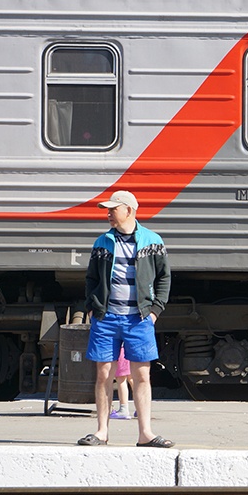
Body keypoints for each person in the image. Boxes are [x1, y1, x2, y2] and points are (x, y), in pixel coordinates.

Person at [78, 190, 173, 448]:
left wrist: (154, 312)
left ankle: (145, 433)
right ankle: (101, 432)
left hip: (139, 318)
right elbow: (91, 279)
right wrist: (92, 308)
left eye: (113, 209)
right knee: (103, 374)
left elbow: (164, 277)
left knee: (142, 375)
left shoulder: (152, 241)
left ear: (129, 210)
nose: (108, 214)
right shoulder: (102, 242)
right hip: (106, 318)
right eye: (107, 210)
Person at [110, 347, 132, 420]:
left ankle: (124, 408)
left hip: (120, 350)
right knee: (132, 379)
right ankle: (141, 407)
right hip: (130, 350)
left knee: (121, 379)